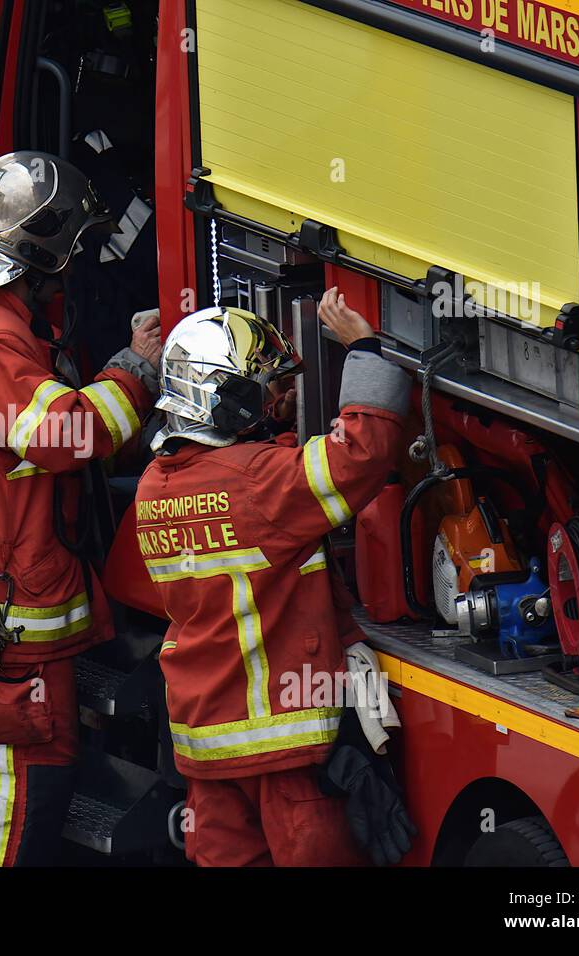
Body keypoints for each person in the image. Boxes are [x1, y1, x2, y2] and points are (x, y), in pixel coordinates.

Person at [0, 150, 161, 866]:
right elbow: (68, 436)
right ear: (44, 252)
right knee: (17, 810)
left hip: (4, 613)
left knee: (40, 784)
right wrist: (136, 369)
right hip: (9, 621)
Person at [133, 290, 416, 866]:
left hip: (207, 754)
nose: (284, 399)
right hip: (283, 757)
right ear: (228, 398)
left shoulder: (153, 487)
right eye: (270, 389)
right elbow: (361, 454)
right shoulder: (260, 483)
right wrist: (362, 350)